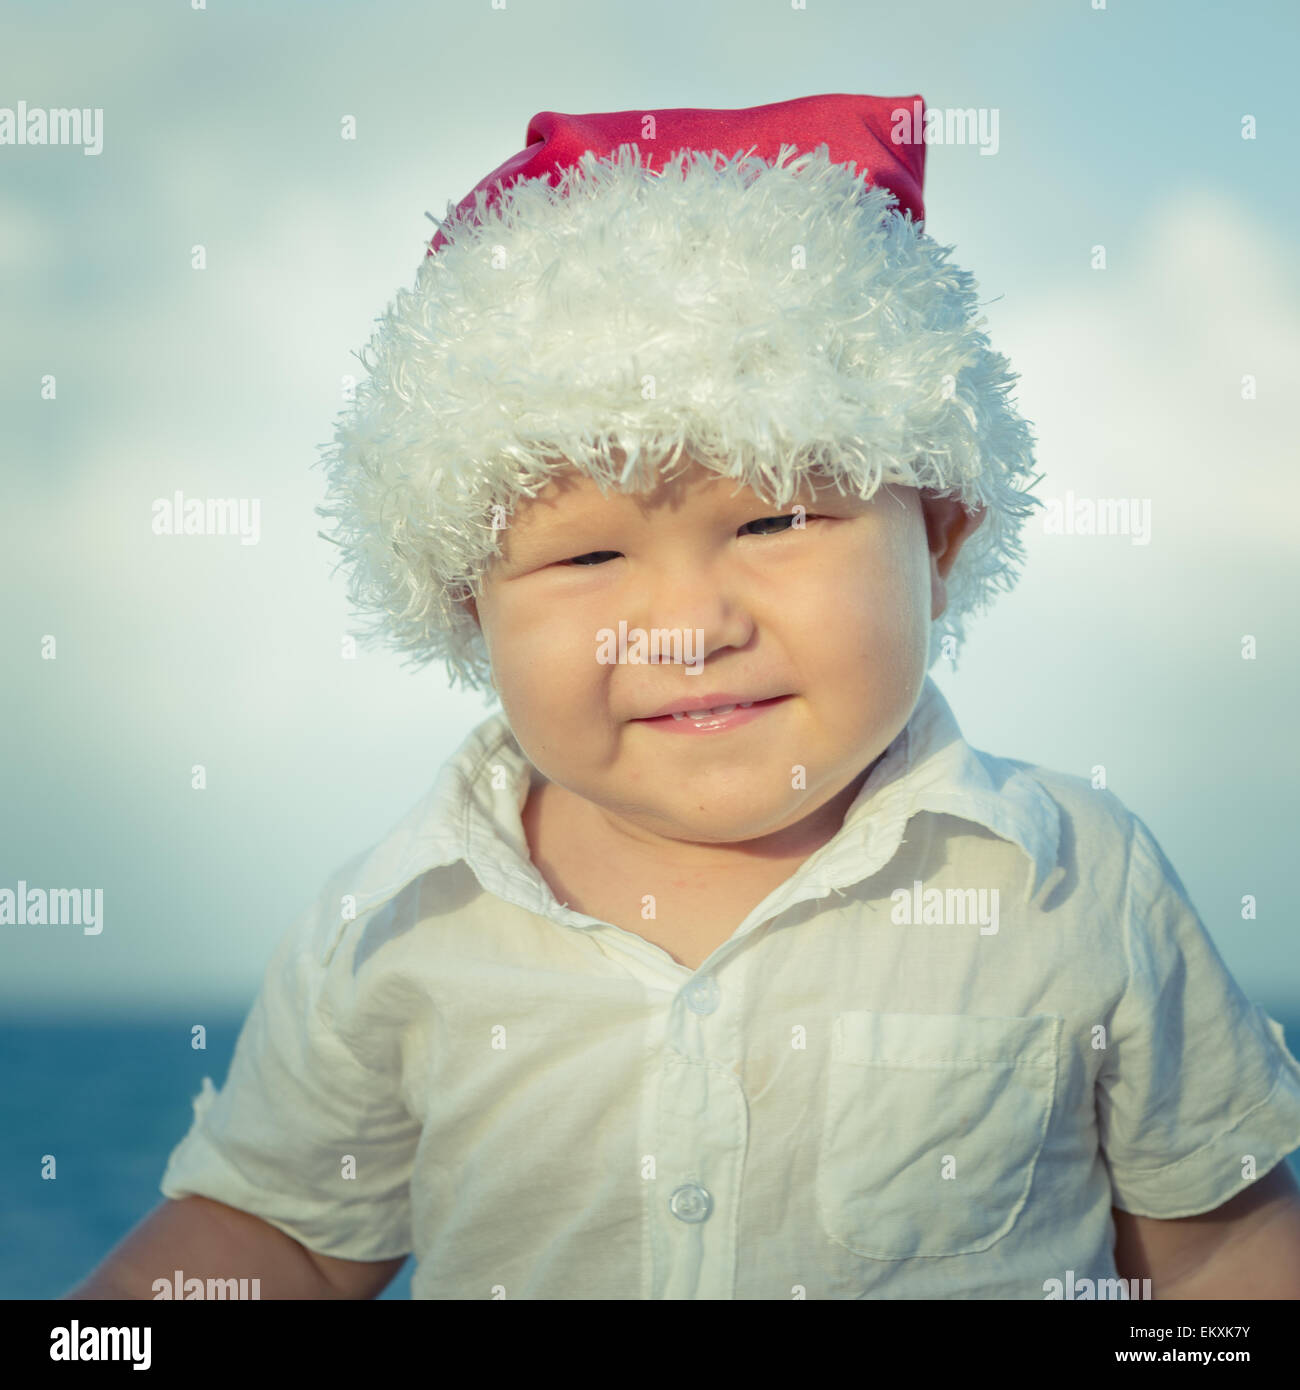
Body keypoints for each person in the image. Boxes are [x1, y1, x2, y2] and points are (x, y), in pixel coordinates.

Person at [65, 93, 1300, 1300]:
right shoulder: (393, 928)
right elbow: (279, 1241)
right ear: (463, 603)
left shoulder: (1073, 884)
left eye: (775, 519)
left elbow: (1216, 1245)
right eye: (588, 556)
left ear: (939, 536)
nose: (689, 629)